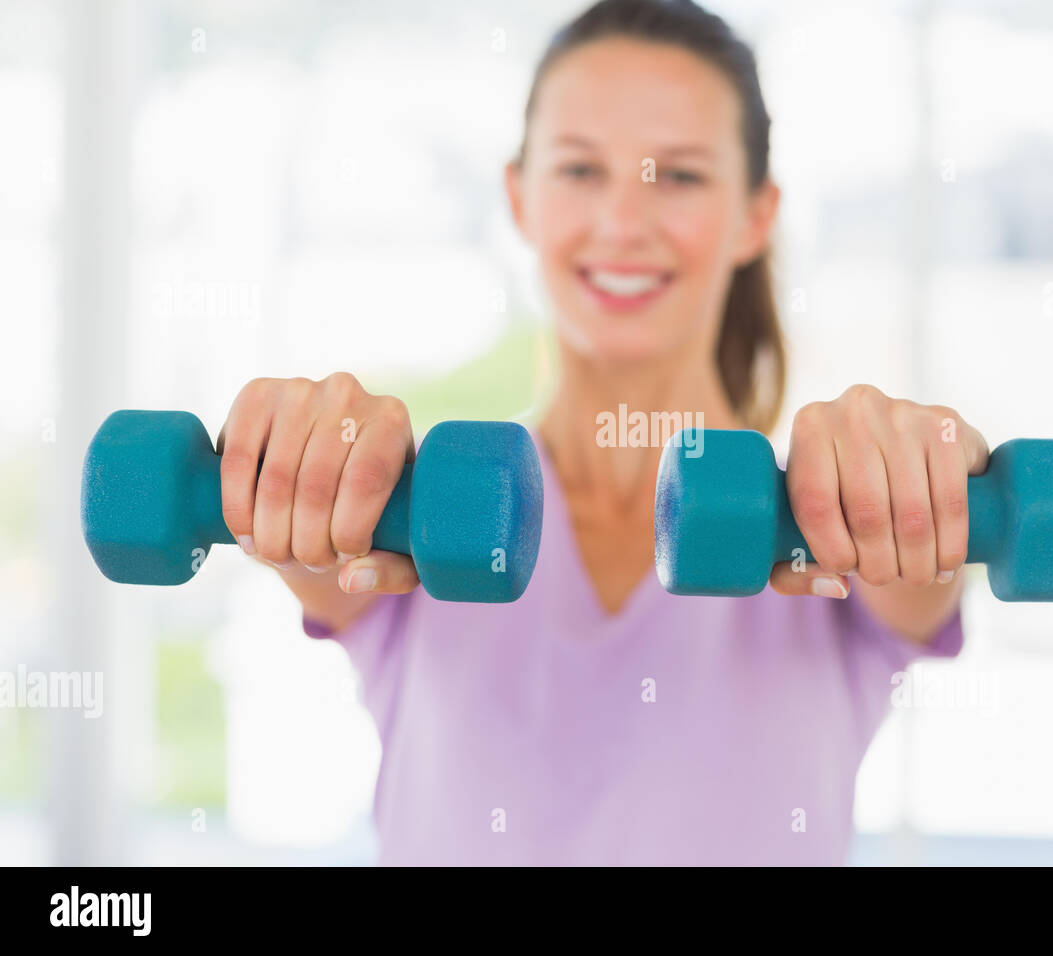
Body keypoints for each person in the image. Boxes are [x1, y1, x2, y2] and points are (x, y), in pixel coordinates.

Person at [215, 0, 987, 865]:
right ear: (519, 198)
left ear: (756, 216)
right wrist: (296, 459)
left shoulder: (833, 532)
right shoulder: (412, 520)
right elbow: (312, 545)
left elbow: (923, 567)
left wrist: (928, 474)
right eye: (582, 170)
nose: (624, 222)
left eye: (682, 176)